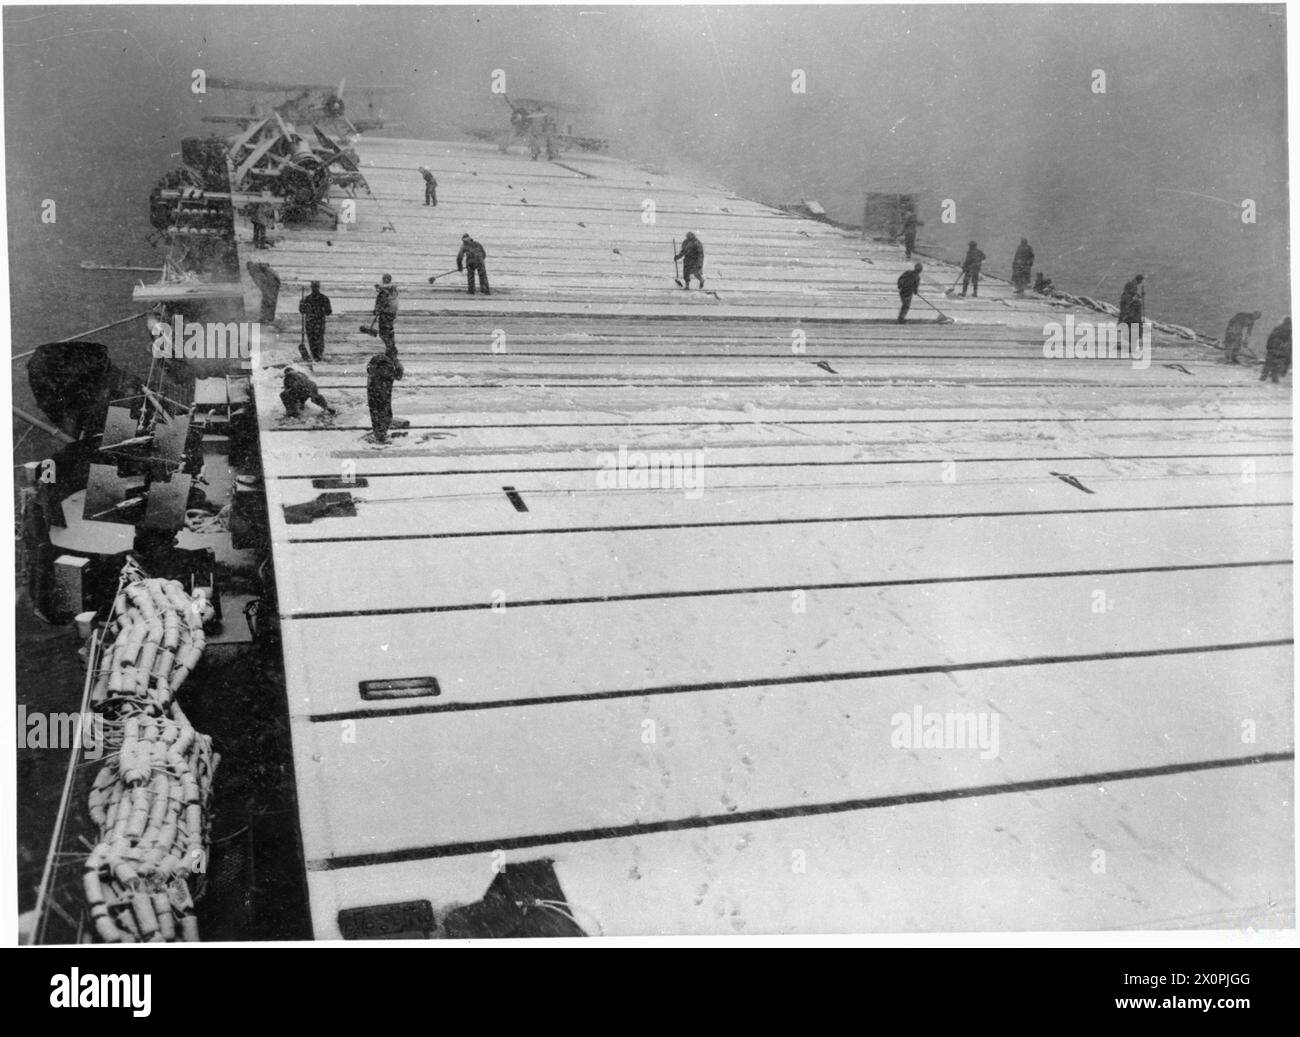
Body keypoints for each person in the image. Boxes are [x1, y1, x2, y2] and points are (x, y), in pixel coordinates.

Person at [366, 348, 404, 443]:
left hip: (376, 389)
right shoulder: (386, 365)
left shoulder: (380, 361)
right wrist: (397, 364)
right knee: (383, 412)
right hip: (380, 391)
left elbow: (369, 369)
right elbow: (398, 375)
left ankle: (379, 433)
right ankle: (380, 435)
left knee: (378, 412)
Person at [298, 281, 333, 361]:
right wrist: (303, 306)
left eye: (316, 287)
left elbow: (328, 311)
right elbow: (301, 310)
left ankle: (317, 355)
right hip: (312, 323)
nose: (315, 288)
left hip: (317, 323)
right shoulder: (307, 299)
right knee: (314, 340)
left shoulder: (322, 299)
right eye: (314, 287)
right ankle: (316, 356)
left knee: (317, 340)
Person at [245, 261, 280, 326]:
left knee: (267, 301)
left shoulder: (253, 269)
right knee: (272, 301)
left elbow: (261, 280)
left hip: (271, 281)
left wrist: (264, 290)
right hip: (276, 279)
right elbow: (267, 264)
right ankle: (270, 318)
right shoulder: (258, 265)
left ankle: (264, 319)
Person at [372, 274, 399, 354]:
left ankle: (390, 348)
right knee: (390, 330)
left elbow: (381, 302)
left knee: (383, 332)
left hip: (385, 313)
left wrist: (377, 310)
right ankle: (392, 347)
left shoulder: (383, 292)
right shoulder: (393, 290)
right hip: (392, 313)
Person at [1260, 317, 1291, 383]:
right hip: (1280, 346)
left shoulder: (1278, 328)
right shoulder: (1288, 328)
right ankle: (1274, 377)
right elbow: (1287, 339)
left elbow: (1271, 337)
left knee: (1269, 362)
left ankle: (1264, 376)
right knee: (1277, 362)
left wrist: (1268, 346)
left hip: (1274, 346)